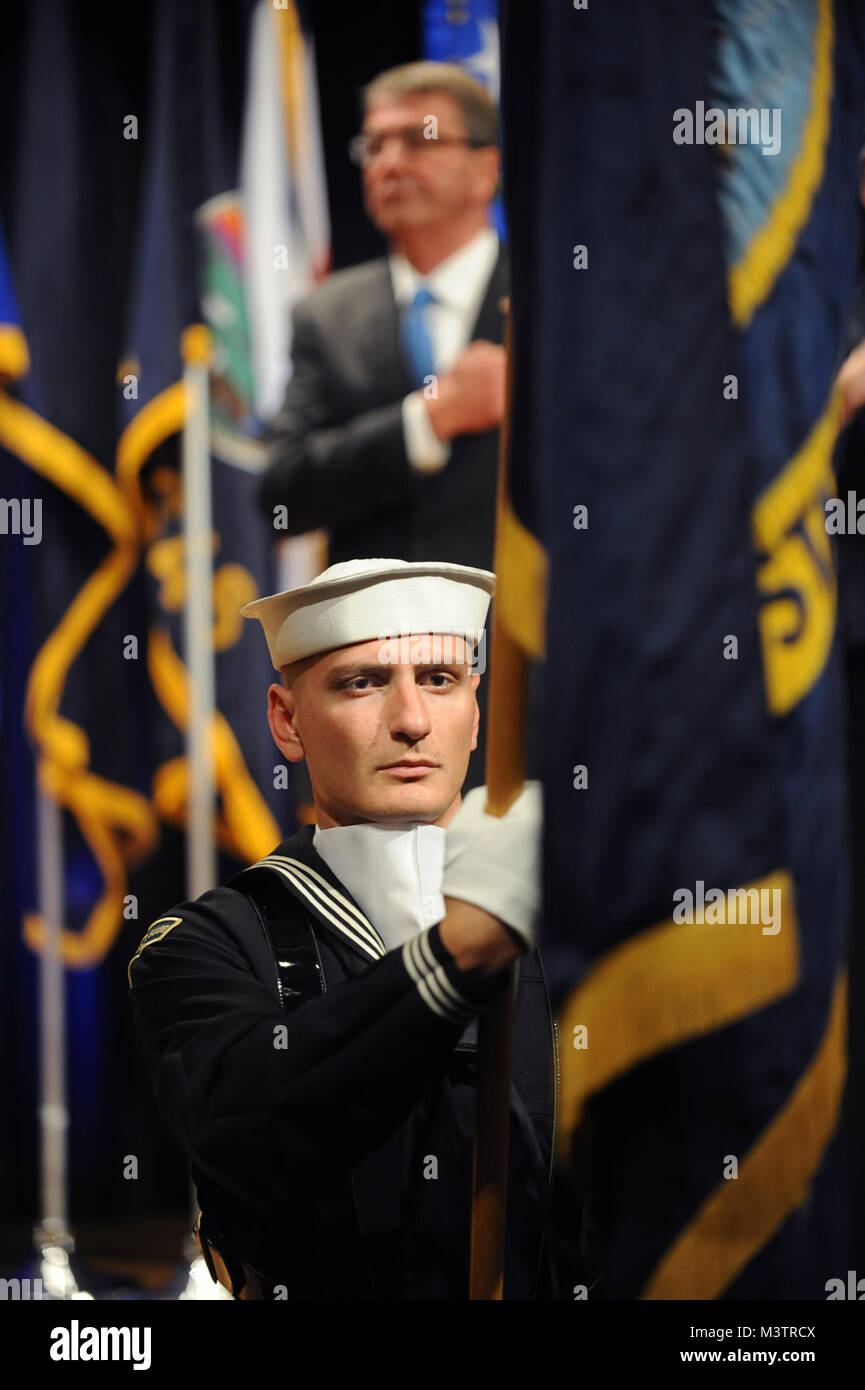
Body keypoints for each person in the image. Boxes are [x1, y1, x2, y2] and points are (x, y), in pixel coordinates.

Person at [128, 558, 582, 1299]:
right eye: (362, 682)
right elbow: (252, 1137)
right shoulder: (200, 943)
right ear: (286, 719)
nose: (409, 720)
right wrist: (458, 952)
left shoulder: (574, 929)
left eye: (439, 679)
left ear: (477, 710)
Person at [257, 61, 507, 573]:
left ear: (486, 169)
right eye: (374, 145)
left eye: (419, 140)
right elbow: (282, 497)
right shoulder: (326, 314)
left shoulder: (545, 305)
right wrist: (428, 420)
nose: (390, 163)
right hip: (380, 639)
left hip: (523, 632)